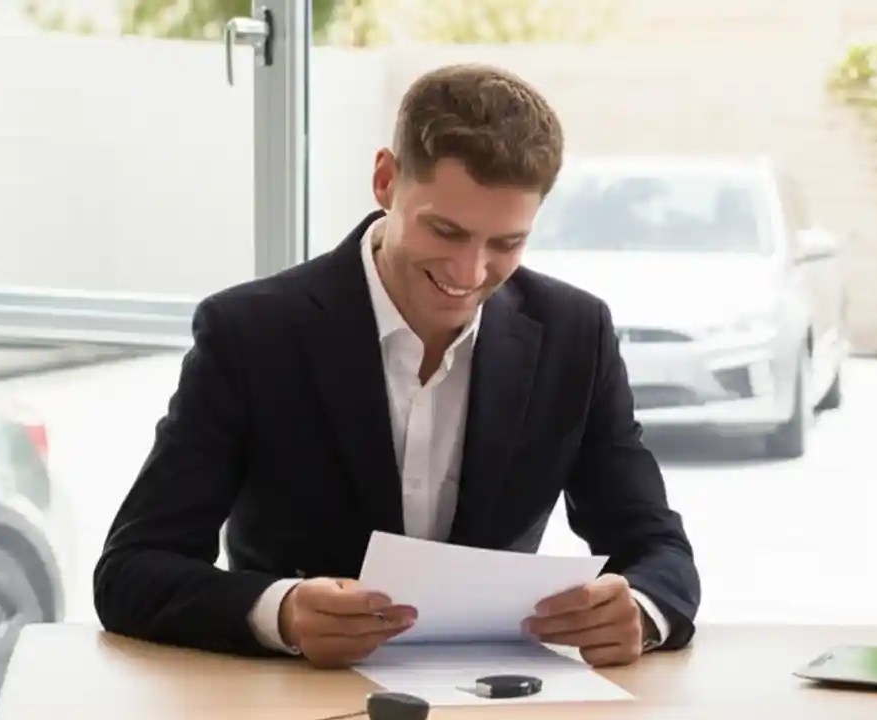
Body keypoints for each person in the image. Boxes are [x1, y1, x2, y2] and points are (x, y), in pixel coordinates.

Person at [93, 63, 700, 669]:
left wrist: (641, 612)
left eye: (506, 243)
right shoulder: (251, 334)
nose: (469, 272)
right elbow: (132, 569)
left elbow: (657, 549)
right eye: (446, 230)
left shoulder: (576, 335)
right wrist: (281, 612)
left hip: (493, 702)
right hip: (293, 699)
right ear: (386, 180)